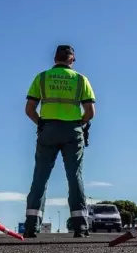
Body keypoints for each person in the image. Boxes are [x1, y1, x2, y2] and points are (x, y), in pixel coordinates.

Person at [23, 44, 96, 238]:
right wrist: (79, 124)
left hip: (48, 130)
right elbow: (90, 112)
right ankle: (80, 226)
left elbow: (29, 109)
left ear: (55, 59)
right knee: (74, 177)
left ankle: (31, 225)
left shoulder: (42, 78)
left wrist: (41, 124)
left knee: (40, 177)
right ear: (72, 59)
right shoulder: (81, 80)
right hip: (73, 131)